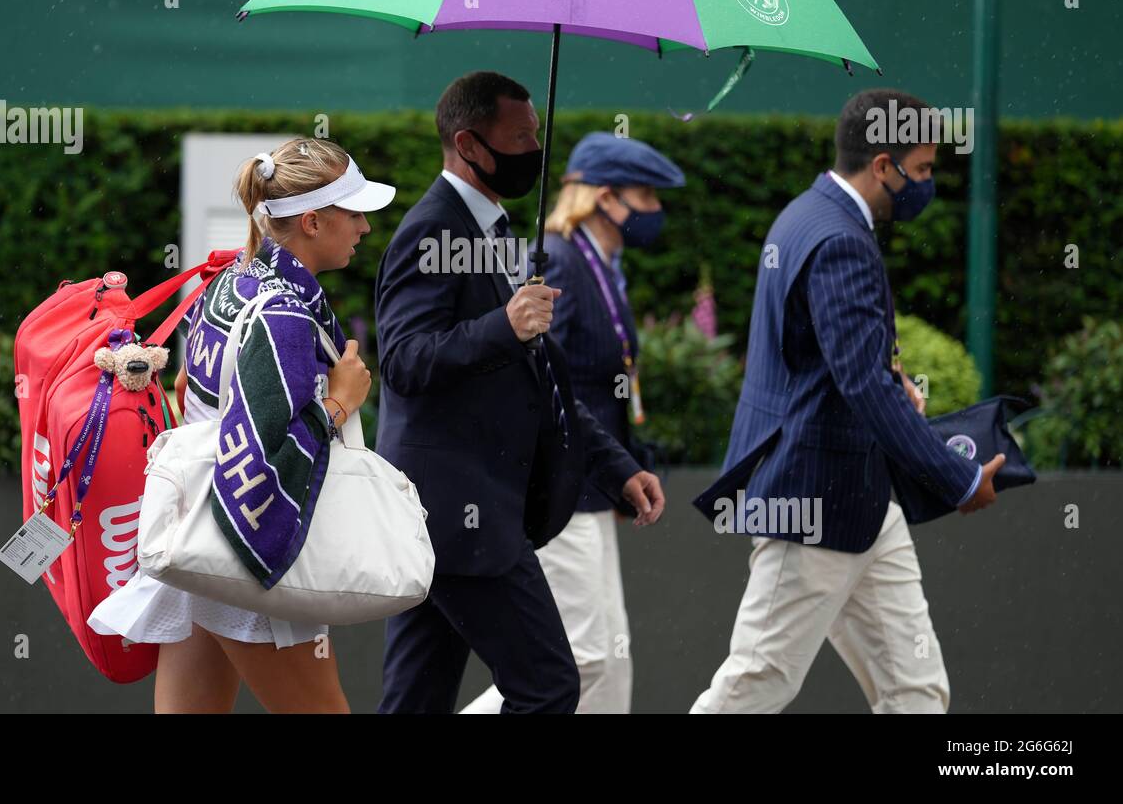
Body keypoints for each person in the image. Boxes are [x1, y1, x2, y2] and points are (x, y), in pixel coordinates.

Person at [690, 89, 1005, 714]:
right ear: (883, 164)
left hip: (860, 501)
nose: (927, 184)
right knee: (755, 683)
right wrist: (959, 478)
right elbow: (860, 385)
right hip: (814, 497)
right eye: (922, 170)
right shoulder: (839, 239)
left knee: (915, 691)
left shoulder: (808, 216)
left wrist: (896, 381)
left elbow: (835, 363)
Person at [373, 70, 666, 714]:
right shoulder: (432, 230)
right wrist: (502, 327)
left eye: (535, 133)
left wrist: (617, 467)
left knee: (416, 703)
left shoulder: (499, 233)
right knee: (549, 686)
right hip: (458, 513)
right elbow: (402, 362)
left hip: (458, 513)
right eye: (520, 136)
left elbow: (544, 382)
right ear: (469, 144)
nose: (535, 148)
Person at [88, 137, 394, 713]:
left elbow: (188, 389)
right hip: (250, 553)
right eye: (354, 214)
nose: (364, 228)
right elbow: (267, 453)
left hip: (203, 545)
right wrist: (342, 401)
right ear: (310, 221)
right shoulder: (281, 311)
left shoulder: (232, 281)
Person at [461, 131, 684, 714]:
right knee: (585, 659)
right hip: (559, 491)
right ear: (606, 198)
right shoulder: (560, 260)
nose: (657, 211)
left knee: (608, 662)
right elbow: (540, 384)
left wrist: (620, 467)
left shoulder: (598, 261)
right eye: (648, 197)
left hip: (587, 483)